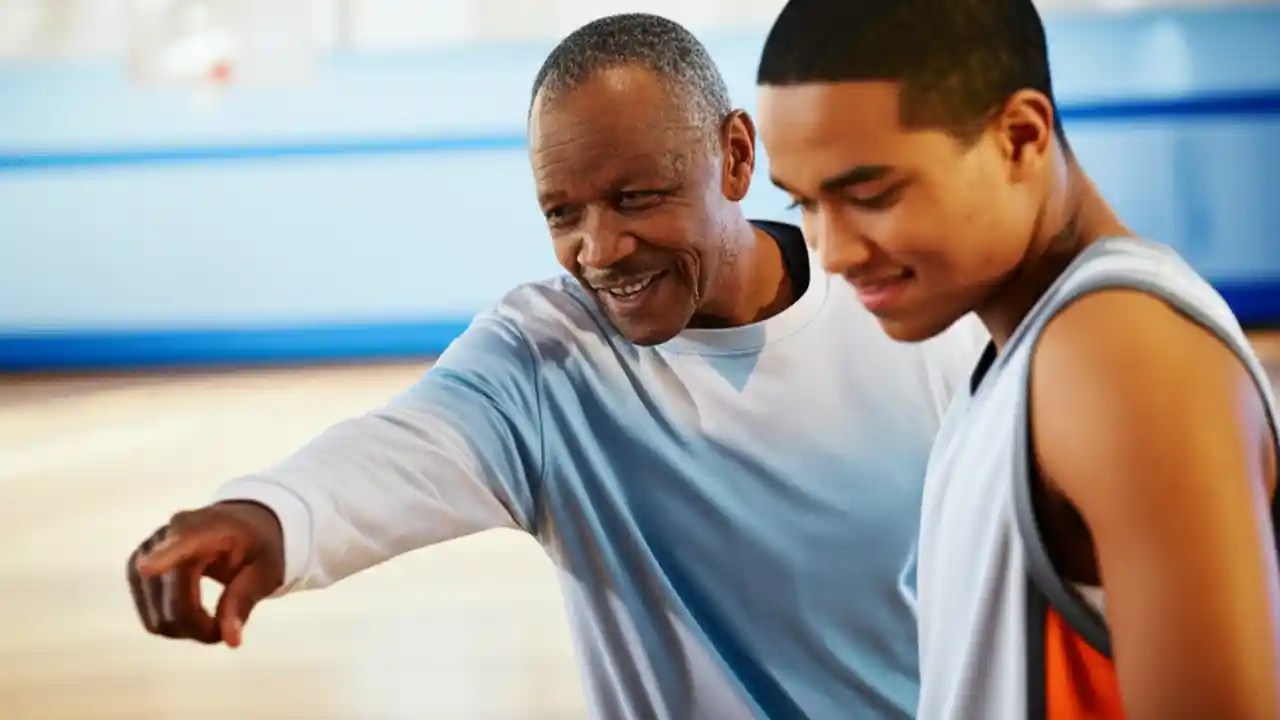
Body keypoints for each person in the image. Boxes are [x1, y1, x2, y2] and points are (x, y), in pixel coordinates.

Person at [126, 13, 987, 720]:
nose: (600, 248)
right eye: (562, 212)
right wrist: (266, 516)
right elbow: (397, 450)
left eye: (636, 197)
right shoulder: (545, 356)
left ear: (734, 157)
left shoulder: (914, 317)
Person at [755, 1, 1280, 718]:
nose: (833, 250)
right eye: (803, 206)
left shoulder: (1117, 353)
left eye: (870, 196)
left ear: (1020, 137)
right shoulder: (1031, 347)